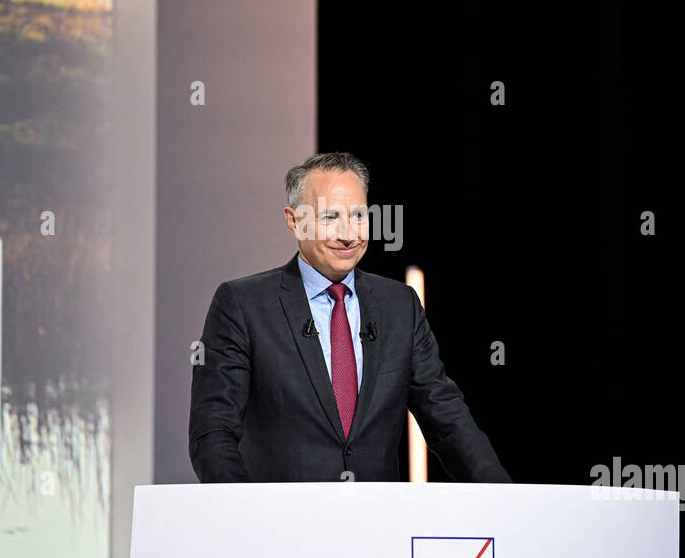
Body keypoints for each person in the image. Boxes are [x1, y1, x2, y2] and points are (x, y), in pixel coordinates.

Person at [189, 151, 512, 483]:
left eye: (358, 215)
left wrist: (503, 498)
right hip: (280, 524)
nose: (348, 234)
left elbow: (446, 417)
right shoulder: (243, 304)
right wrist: (242, 513)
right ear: (294, 220)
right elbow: (213, 431)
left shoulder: (399, 305)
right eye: (330, 217)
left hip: (376, 521)